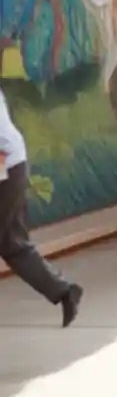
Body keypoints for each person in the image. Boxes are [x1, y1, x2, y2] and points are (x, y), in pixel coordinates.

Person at [0, 86, 83, 327]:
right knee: (12, 244)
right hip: (12, 166)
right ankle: (64, 291)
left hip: (5, 168)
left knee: (12, 243)